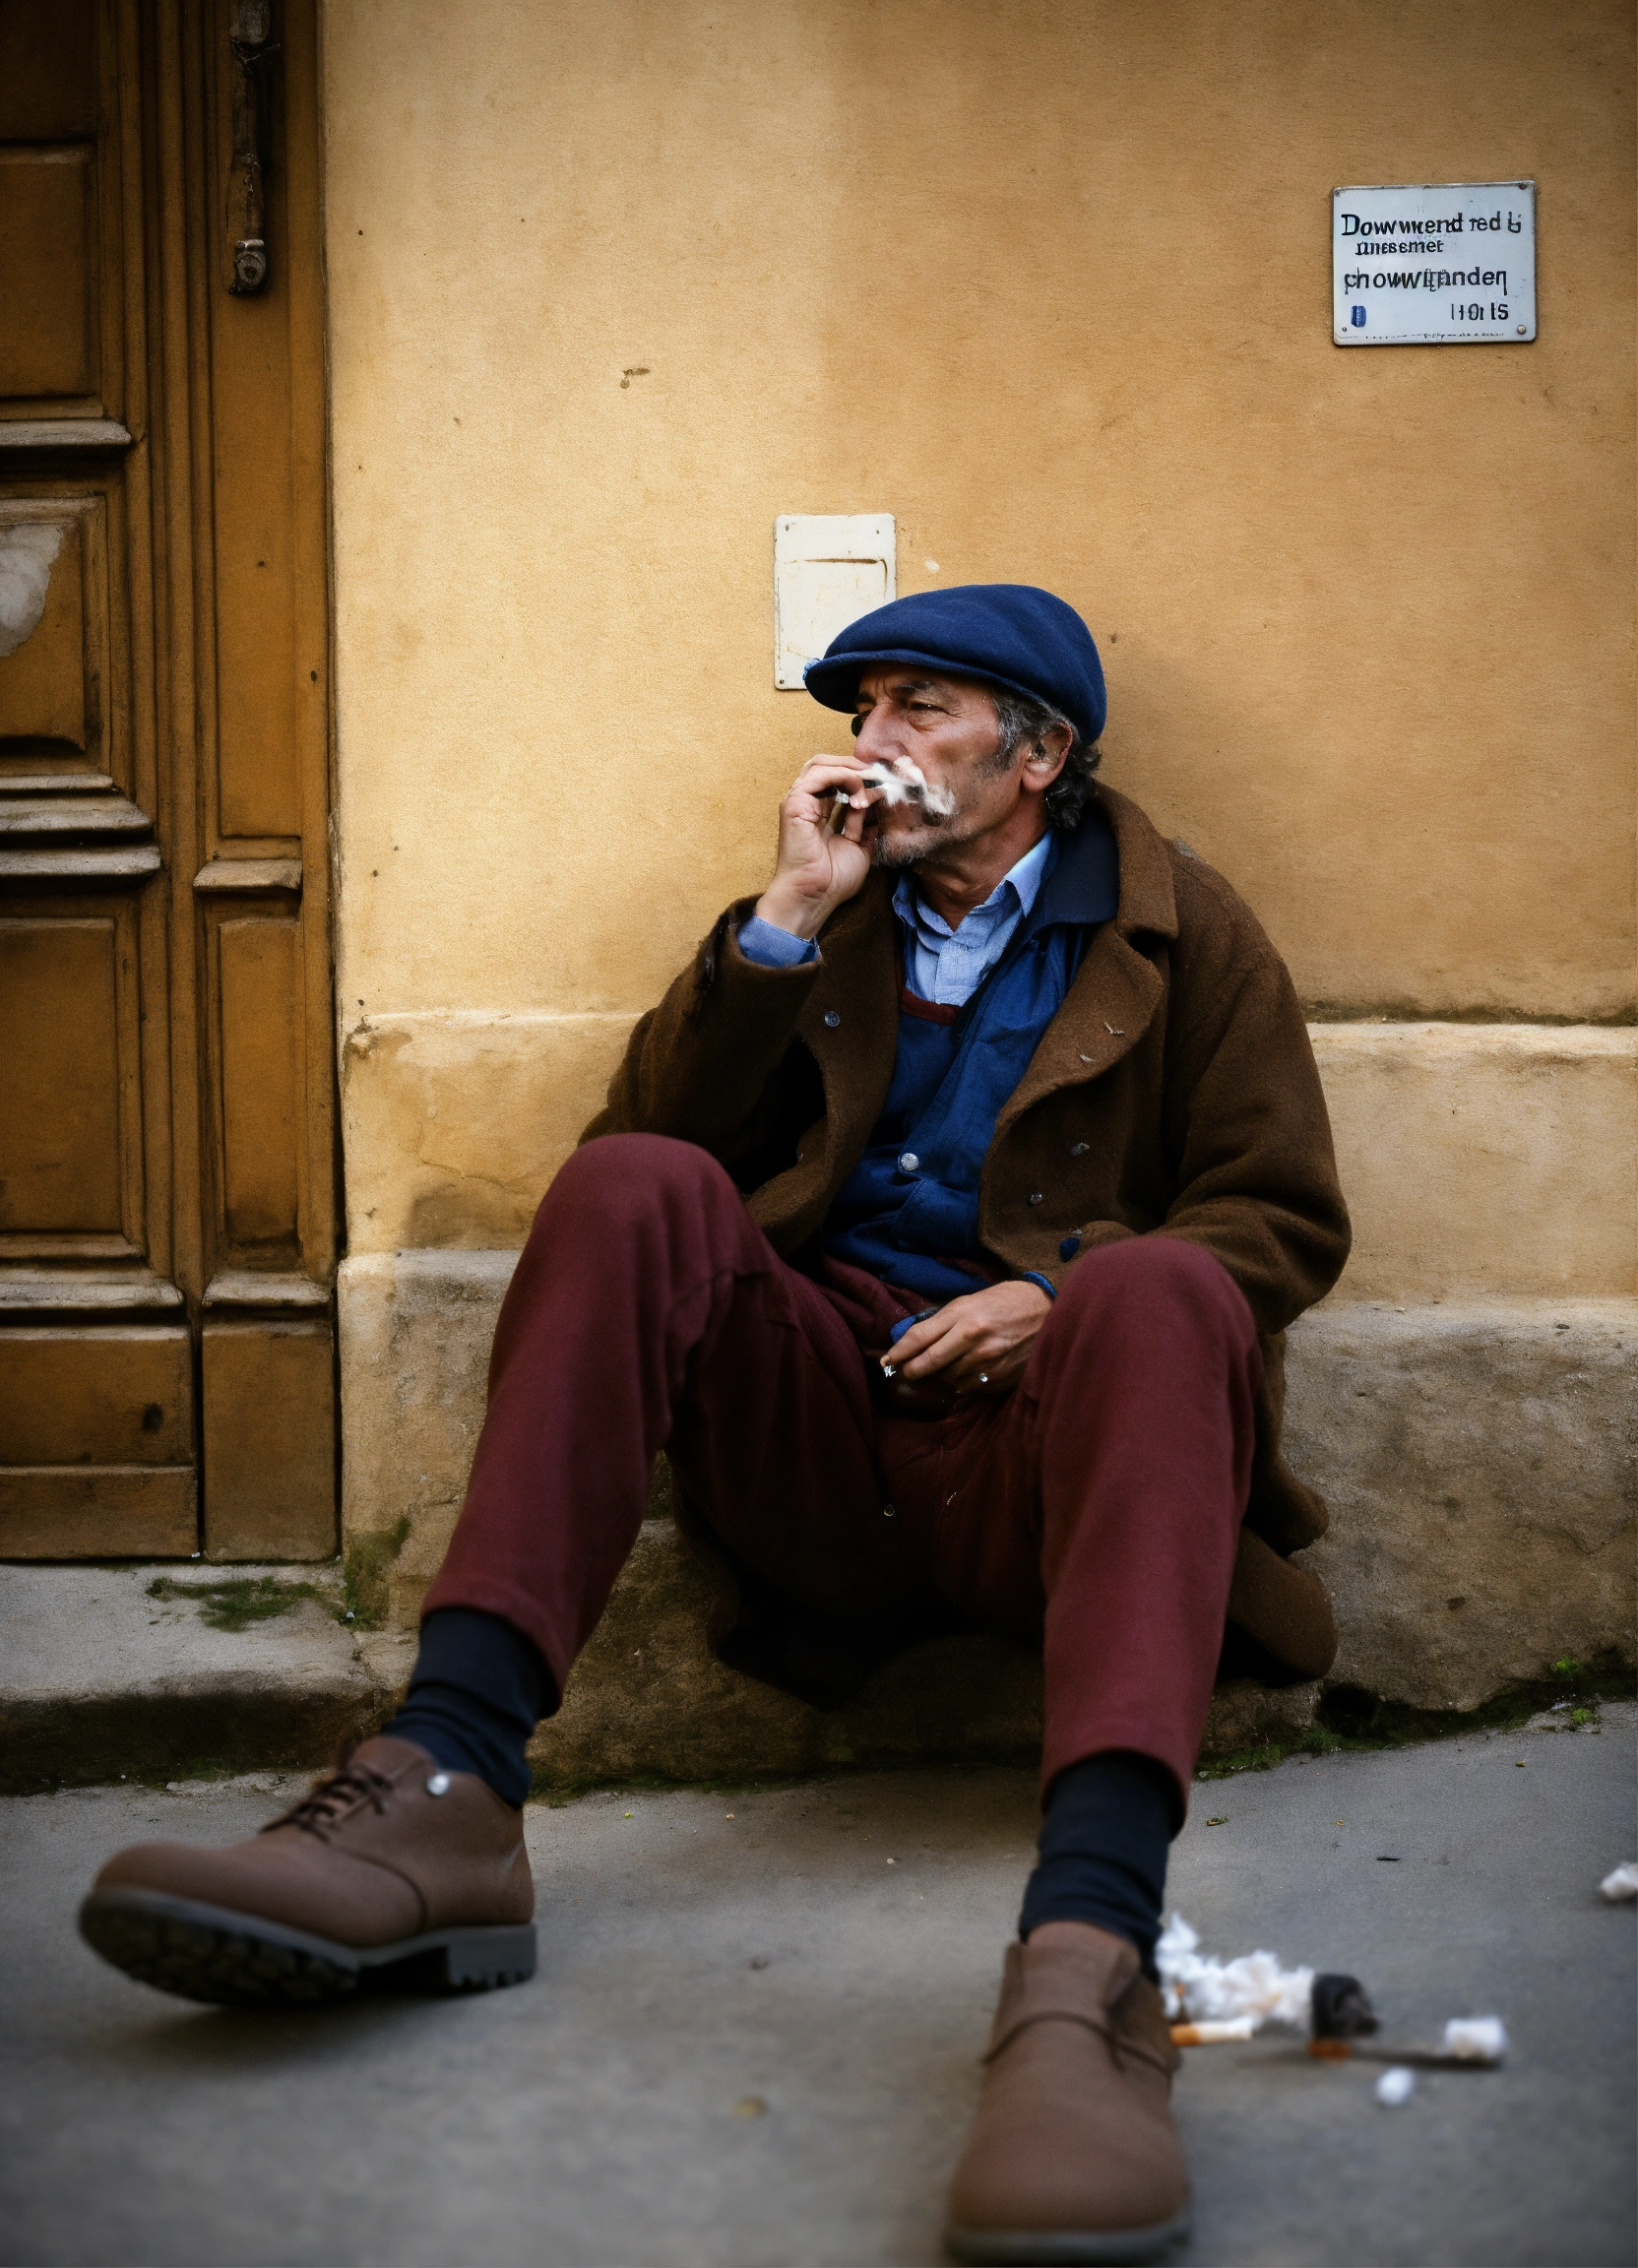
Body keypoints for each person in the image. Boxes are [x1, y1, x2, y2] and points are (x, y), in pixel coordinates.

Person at [82, 585, 1350, 2264]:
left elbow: (1280, 1218)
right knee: (630, 1188)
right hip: (826, 1430)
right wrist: (777, 927)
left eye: (921, 709)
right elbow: (648, 1150)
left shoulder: (1187, 934)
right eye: (862, 708)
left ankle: (1094, 1954)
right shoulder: (818, 913)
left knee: (1164, 1290)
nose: (870, 743)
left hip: (1042, 1462)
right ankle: (449, 1777)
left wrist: (1061, 1300)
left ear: (1036, 754)